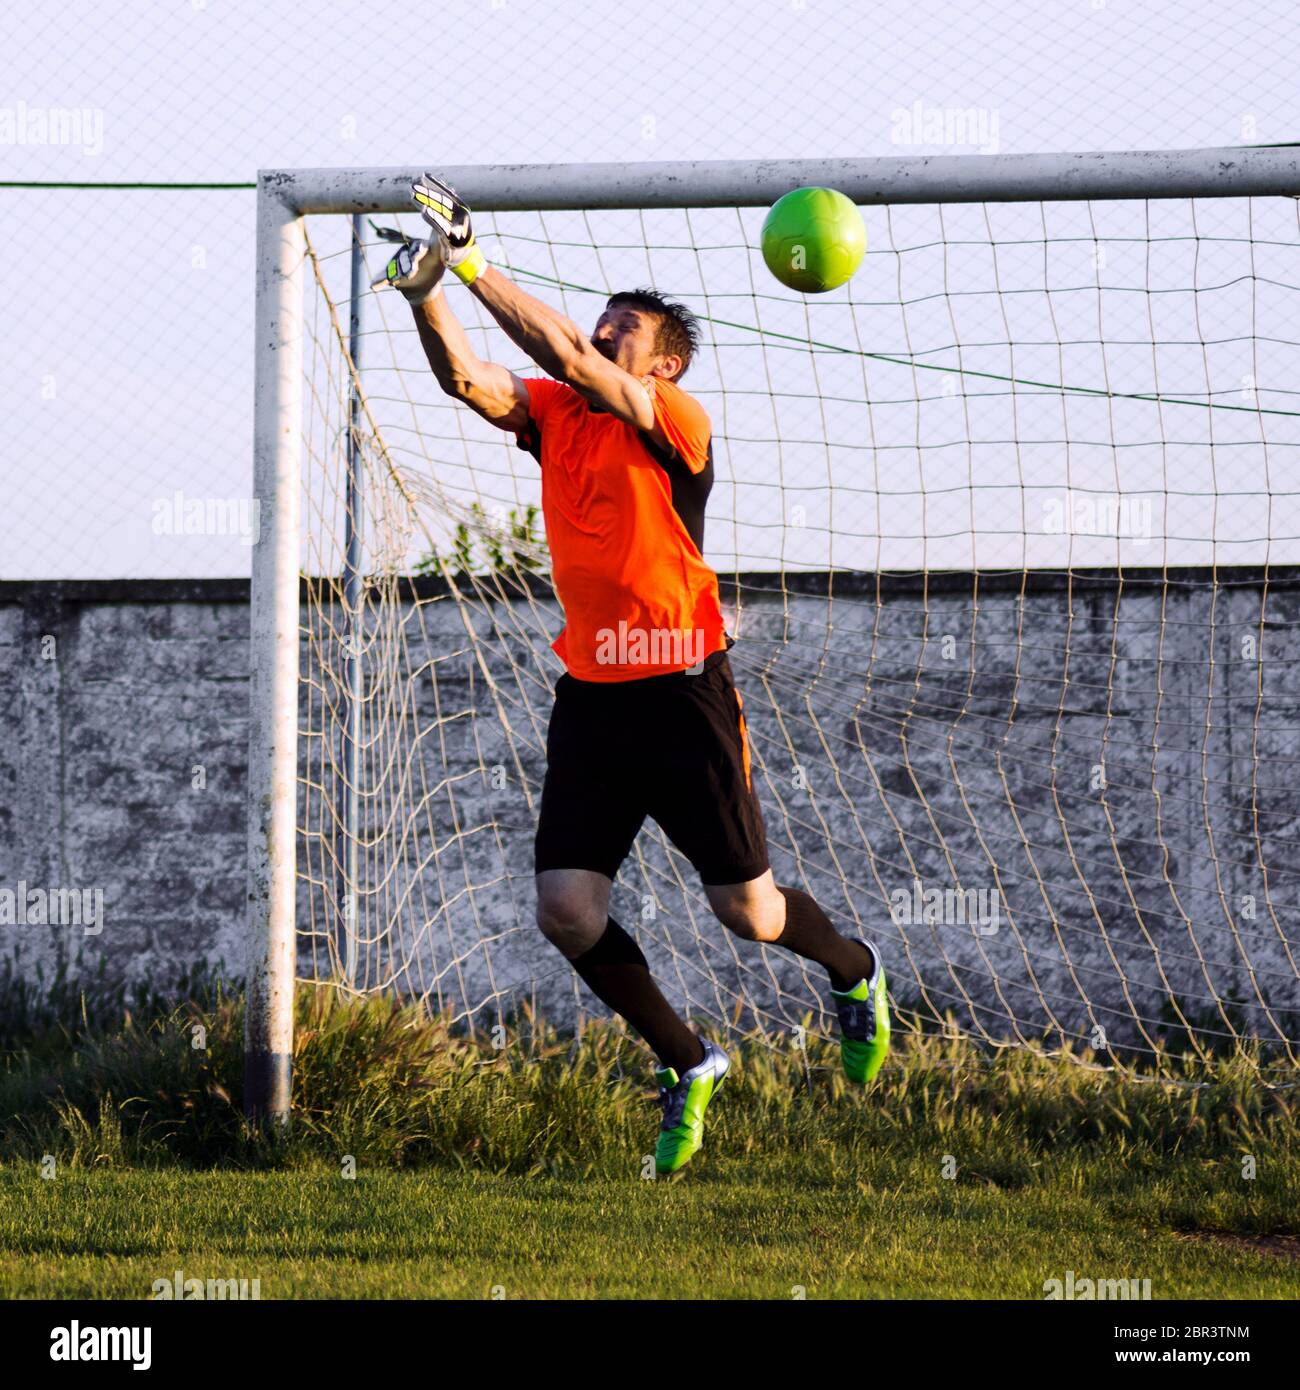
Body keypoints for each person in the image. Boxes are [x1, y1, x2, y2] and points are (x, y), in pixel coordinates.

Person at [375, 174, 889, 1173]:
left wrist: (474, 257)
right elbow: (469, 381)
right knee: (565, 909)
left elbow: (562, 351)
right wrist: (425, 287)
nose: (601, 334)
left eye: (623, 329)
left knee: (750, 914)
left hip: (682, 690)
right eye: (602, 321)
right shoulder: (558, 416)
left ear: (665, 363)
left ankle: (854, 969)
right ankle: (687, 1060)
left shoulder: (676, 422)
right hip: (593, 701)